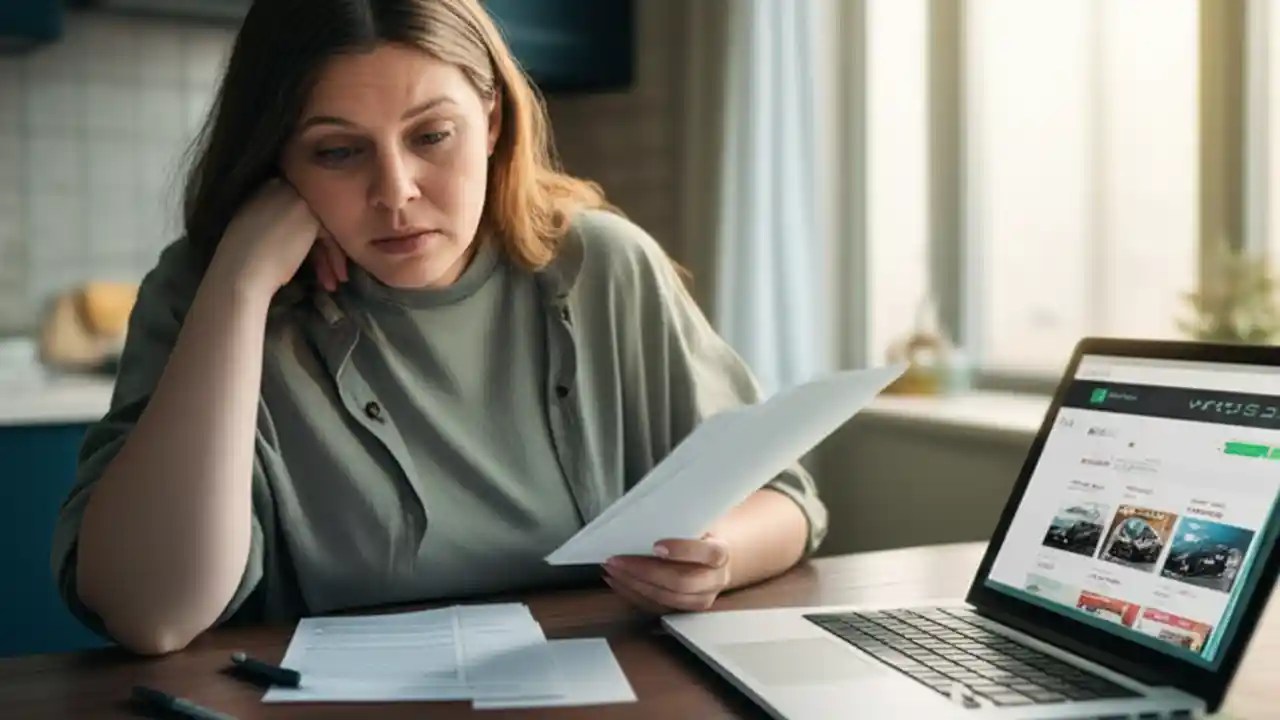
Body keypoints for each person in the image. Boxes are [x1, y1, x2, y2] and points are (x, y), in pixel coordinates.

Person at [51, 0, 828, 656]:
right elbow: (152, 614)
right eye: (337, 150)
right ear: (277, 161)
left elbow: (786, 500)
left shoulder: (602, 264)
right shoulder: (205, 291)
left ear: (490, 122)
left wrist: (718, 556)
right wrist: (240, 282)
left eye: (431, 136)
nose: (395, 192)